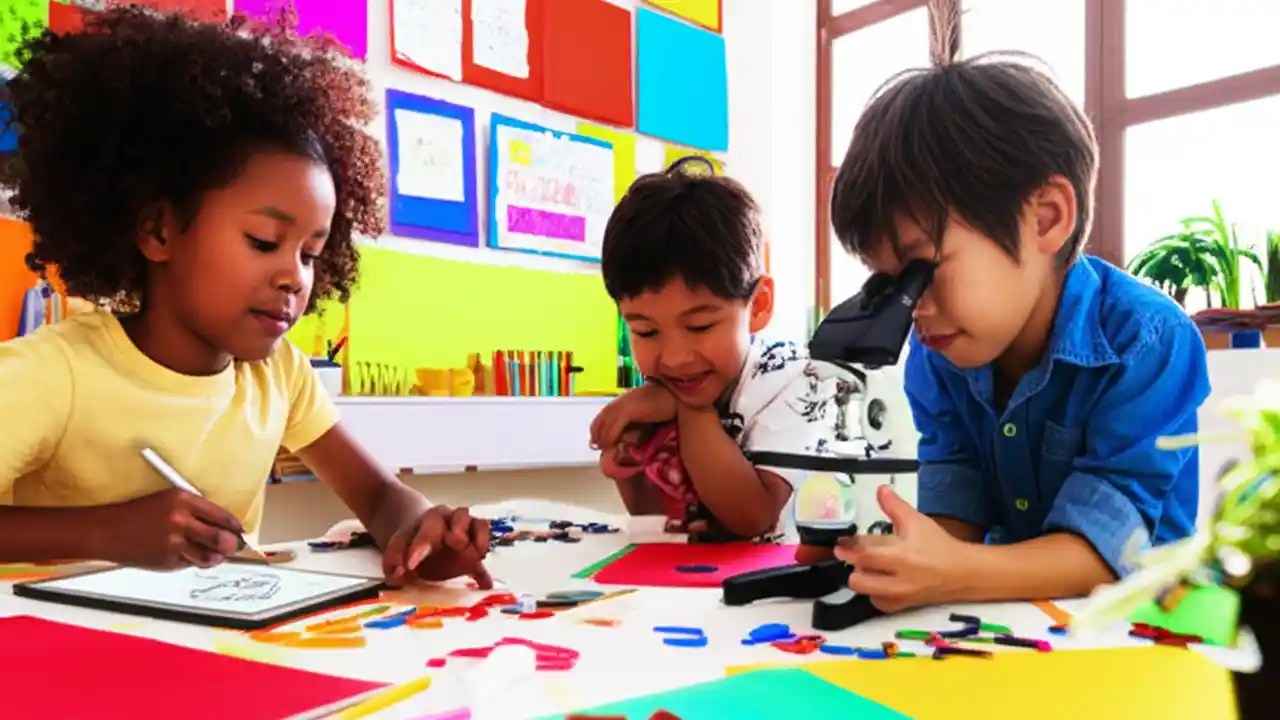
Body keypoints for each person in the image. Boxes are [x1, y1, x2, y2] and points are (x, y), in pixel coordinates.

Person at [0, 6, 491, 587]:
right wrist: (104, 532)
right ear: (159, 231)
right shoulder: (54, 373)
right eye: (263, 241)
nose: (294, 278)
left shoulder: (279, 375)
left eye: (310, 254)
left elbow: (381, 497)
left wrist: (421, 535)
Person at [827, 49, 1210, 611]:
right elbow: (955, 511)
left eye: (921, 270)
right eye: (891, 284)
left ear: (1045, 218)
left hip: (1139, 626)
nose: (912, 308)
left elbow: (1109, 551)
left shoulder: (1148, 342)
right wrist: (892, 561)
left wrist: (952, 571)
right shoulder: (939, 354)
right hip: (1016, 621)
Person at [590, 156, 870, 550]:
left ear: (758, 306)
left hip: (796, 579)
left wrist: (689, 410)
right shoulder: (672, 388)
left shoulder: (799, 384)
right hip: (703, 581)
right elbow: (663, 526)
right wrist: (630, 466)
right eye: (645, 331)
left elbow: (752, 516)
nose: (675, 357)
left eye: (700, 326)